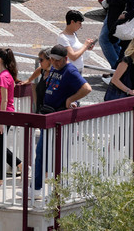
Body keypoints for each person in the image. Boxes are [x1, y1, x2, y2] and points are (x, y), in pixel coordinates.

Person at [36, 43, 91, 190]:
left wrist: (70, 100)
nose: (54, 62)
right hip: (48, 114)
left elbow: (86, 88)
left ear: (65, 58)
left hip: (59, 117)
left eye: (58, 60)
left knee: (54, 153)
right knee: (42, 152)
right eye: (52, 59)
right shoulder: (54, 67)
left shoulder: (70, 70)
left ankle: (51, 187)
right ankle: (40, 186)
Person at [0, 48, 20, 182]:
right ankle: (19, 165)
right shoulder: (8, 75)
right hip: (7, 113)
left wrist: (0, 120)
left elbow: (4, 99)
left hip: (4, 114)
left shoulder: (2, 77)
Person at [97, 0, 124, 70]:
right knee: (114, 41)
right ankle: (121, 67)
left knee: (104, 40)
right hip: (112, 13)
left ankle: (117, 68)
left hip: (115, 15)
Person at [56, 9, 97, 74]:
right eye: (79, 23)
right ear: (72, 22)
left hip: (77, 70)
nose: (80, 26)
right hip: (70, 72)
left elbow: (78, 51)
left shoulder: (74, 34)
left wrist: (87, 48)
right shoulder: (63, 38)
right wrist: (85, 45)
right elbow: (73, 56)